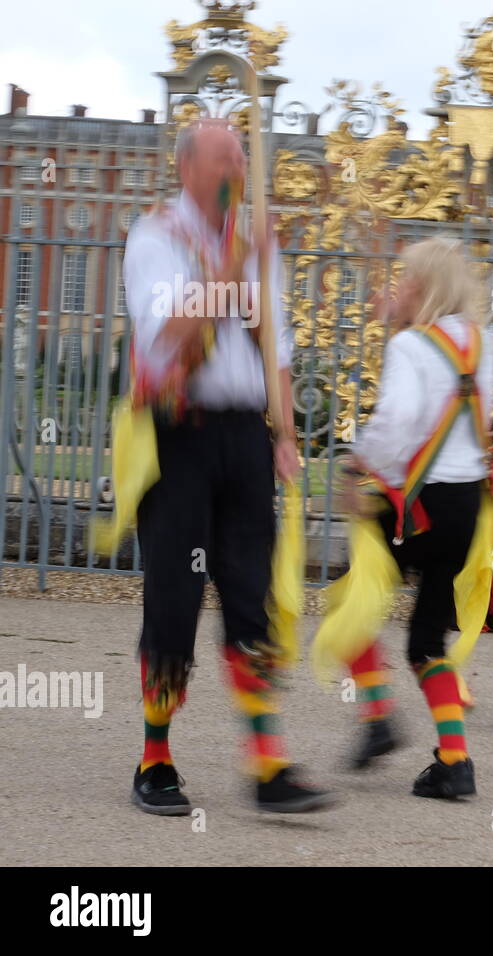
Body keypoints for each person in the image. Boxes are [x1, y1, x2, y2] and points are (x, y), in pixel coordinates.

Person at [123, 119, 332, 813]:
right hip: (180, 434)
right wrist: (227, 270)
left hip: (245, 437)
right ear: (187, 170)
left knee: (251, 595)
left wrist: (285, 432)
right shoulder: (156, 238)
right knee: (174, 599)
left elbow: (275, 349)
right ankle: (155, 760)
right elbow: (165, 337)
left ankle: (269, 766)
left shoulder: (255, 247)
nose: (237, 173)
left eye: (241, 161)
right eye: (223, 161)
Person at [336, 238, 493, 798]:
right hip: (465, 506)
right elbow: (452, 407)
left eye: (403, 280)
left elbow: (401, 419)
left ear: (424, 288)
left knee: (348, 601)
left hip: (417, 505)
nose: (394, 289)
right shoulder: (480, 342)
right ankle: (454, 762)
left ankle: (378, 715)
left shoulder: (409, 348)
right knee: (426, 637)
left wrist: (356, 466)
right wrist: (397, 326)